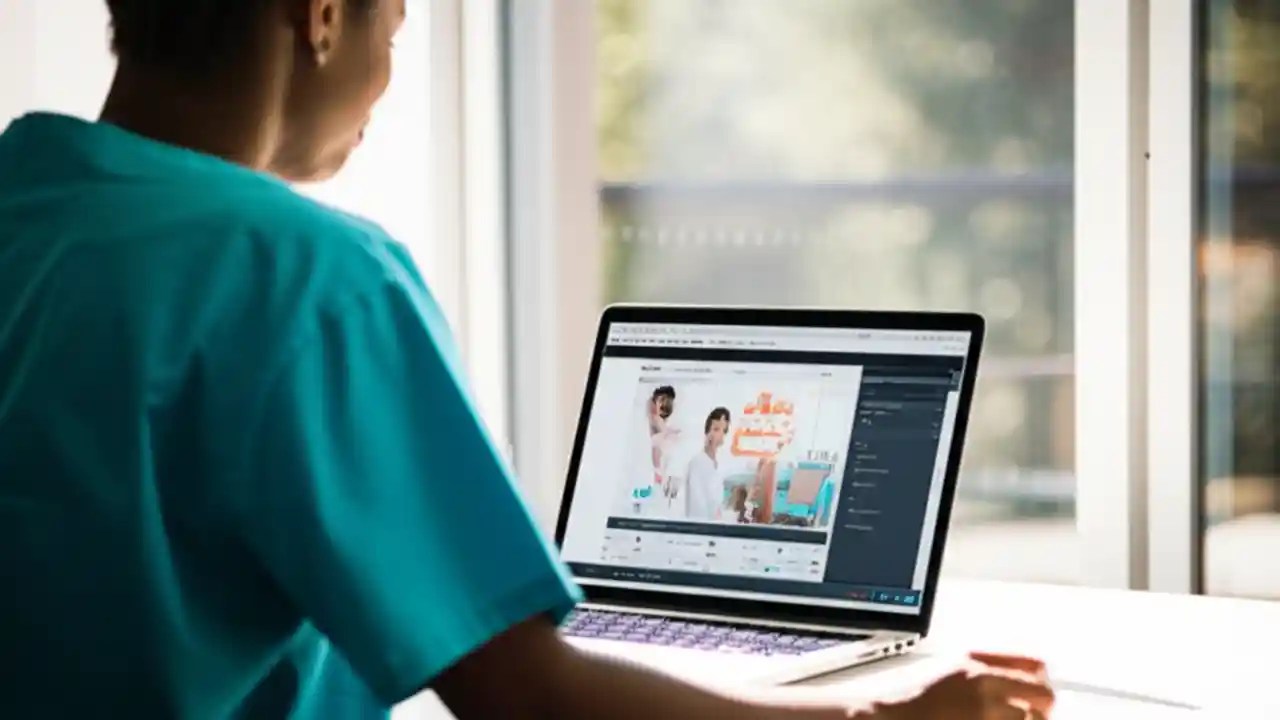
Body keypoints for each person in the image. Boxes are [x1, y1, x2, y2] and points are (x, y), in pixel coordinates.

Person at [0, 1, 1055, 718]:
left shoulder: (22, 203)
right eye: (397, 28)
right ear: (321, 16)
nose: (382, 80)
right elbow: (523, 696)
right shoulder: (304, 273)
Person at [687, 407, 732, 520]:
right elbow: (697, 505)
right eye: (716, 429)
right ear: (707, 431)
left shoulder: (719, 463)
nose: (720, 434)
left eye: (723, 430)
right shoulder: (697, 462)